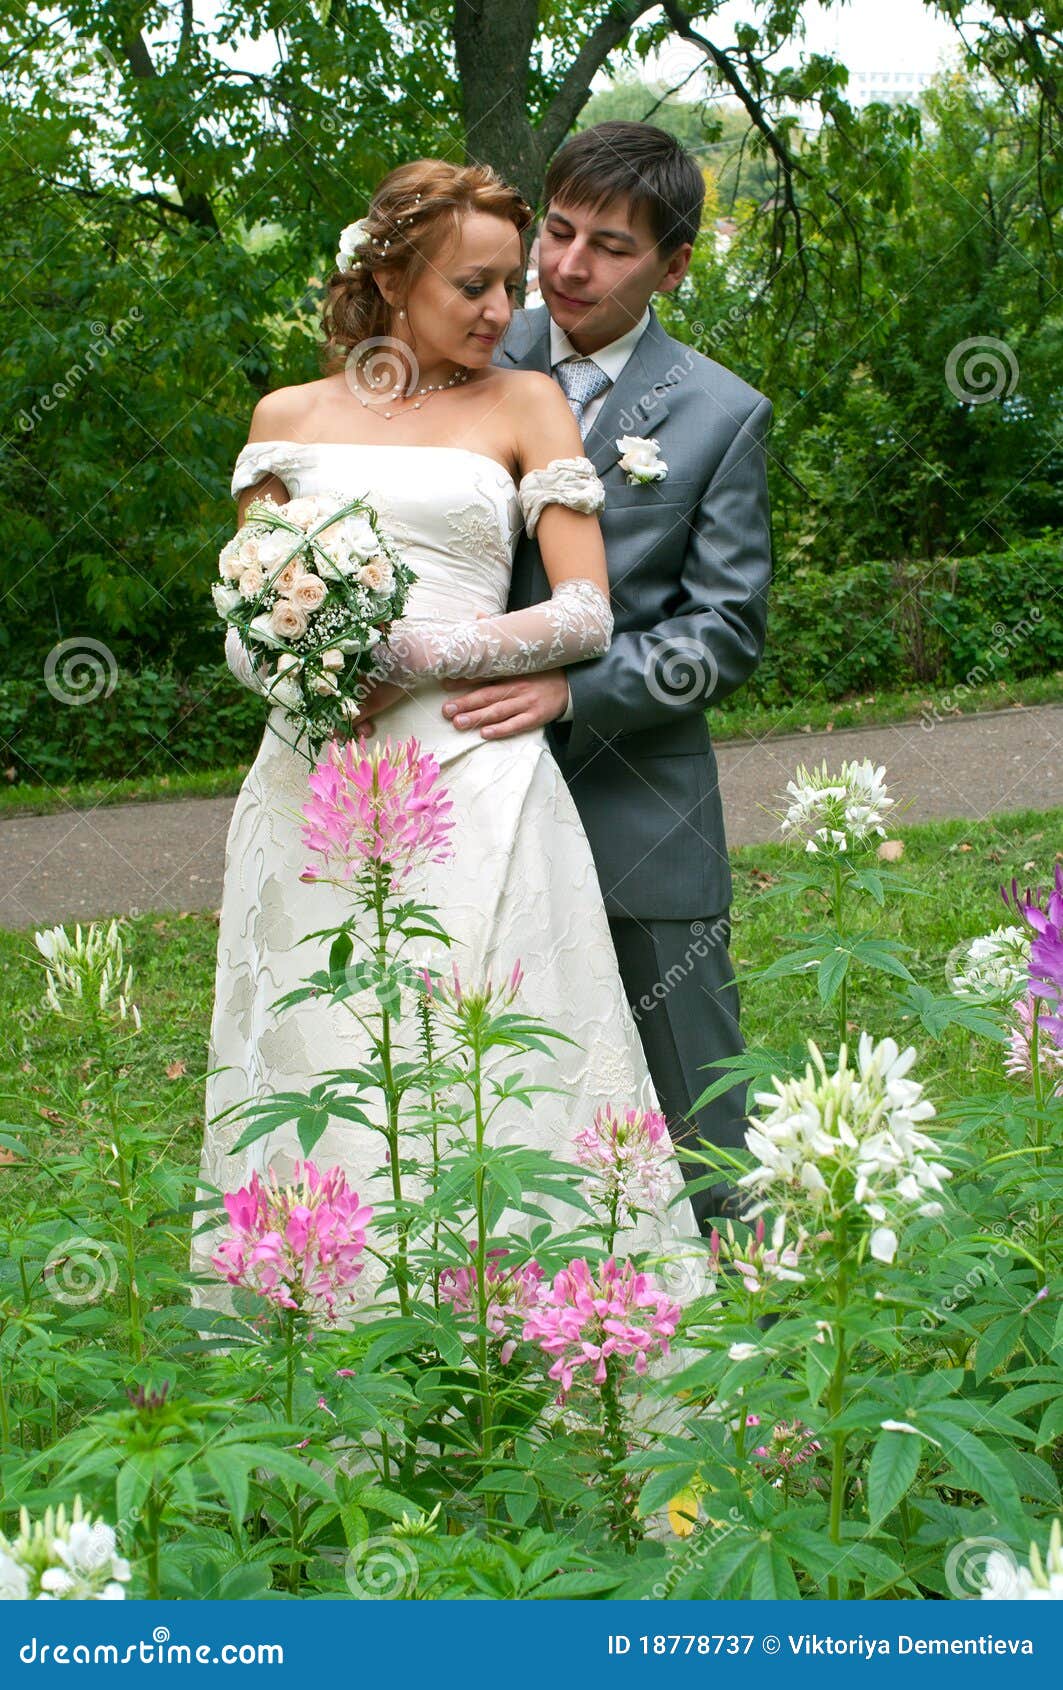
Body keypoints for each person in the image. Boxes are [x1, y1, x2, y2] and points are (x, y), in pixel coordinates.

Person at [193, 158, 701, 1301]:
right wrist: (306, 678)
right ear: (388, 276)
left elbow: (583, 608)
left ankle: (537, 1331)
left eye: (508, 285)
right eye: (473, 286)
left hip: (479, 774)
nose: (502, 313)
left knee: (503, 1047)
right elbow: (239, 617)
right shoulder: (288, 419)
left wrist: (407, 656)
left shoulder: (526, 403)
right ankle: (327, 1337)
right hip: (312, 777)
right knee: (324, 1048)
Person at [439, 123, 773, 1230]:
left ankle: (760, 1327)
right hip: (463, 791)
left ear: (674, 265)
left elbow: (723, 632)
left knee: (697, 1100)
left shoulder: (722, 415)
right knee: (478, 1077)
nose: (569, 267)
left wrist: (577, 691)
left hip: (641, 811)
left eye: (614, 247)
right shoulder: (466, 351)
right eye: (562, 232)